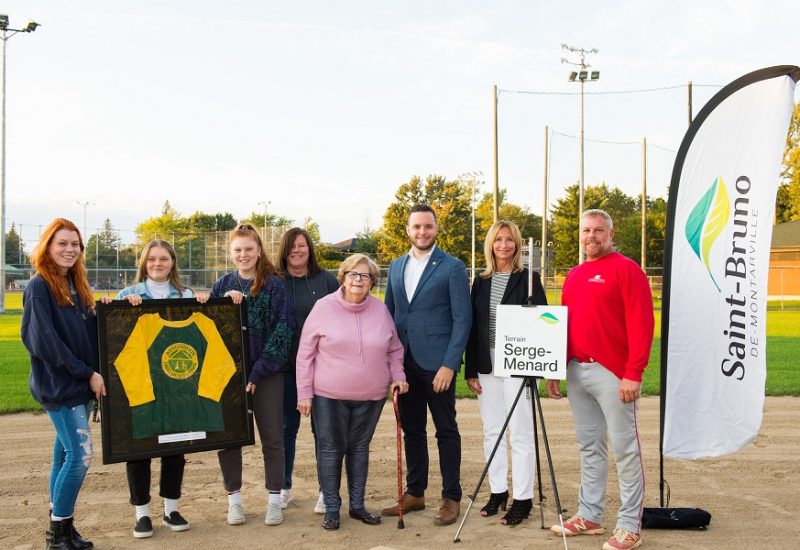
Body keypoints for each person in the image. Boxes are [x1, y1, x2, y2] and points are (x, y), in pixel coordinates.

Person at [546, 209, 654, 550]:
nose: (591, 236)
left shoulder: (627, 270)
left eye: (598, 230)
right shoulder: (575, 275)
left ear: (610, 233)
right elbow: (565, 326)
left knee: (625, 449)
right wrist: (557, 369)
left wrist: (633, 373)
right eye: (586, 231)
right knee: (589, 446)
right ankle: (589, 514)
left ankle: (628, 526)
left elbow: (642, 325)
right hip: (578, 370)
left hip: (613, 373)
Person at [99, 240, 208, 539]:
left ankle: (172, 508)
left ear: (172, 262)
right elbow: (113, 336)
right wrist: (115, 307)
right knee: (141, 448)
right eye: (151, 260)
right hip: (145, 385)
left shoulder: (185, 295)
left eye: (163, 259)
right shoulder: (128, 295)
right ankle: (142, 513)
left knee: (174, 447)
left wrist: (203, 304)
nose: (157, 264)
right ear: (144, 264)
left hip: (176, 386)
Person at [296, 253, 408, 530]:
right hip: (328, 395)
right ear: (343, 277)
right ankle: (332, 508)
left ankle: (357, 505)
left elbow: (395, 349)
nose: (358, 280)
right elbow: (305, 354)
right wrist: (304, 393)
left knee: (359, 449)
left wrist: (398, 376)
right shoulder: (323, 307)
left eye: (365, 276)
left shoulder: (380, 310)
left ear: (372, 281)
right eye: (353, 274)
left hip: (370, 397)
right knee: (331, 450)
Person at [381, 204, 472, 526]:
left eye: (428, 226)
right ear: (407, 230)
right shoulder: (395, 266)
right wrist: (392, 366)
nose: (422, 232)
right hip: (404, 365)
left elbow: (463, 319)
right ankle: (416, 493)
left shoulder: (452, 266)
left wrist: (450, 364)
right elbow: (389, 317)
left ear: (436, 229)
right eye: (416, 227)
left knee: (446, 431)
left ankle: (451, 497)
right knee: (413, 431)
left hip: (437, 365)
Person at [21, 218, 106, 550]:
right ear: (47, 246)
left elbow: (90, 330)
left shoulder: (75, 283)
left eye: (75, 244)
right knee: (80, 456)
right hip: (62, 386)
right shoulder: (39, 285)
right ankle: (58, 535)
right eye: (62, 244)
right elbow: (44, 342)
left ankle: (62, 527)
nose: (69, 249)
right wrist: (87, 373)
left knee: (64, 455)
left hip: (78, 385)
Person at [464, 220, 547, 525]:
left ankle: (522, 499)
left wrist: (537, 368)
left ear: (517, 244)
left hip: (518, 363)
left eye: (509, 240)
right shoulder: (481, 281)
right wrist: (470, 368)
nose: (504, 245)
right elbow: (473, 328)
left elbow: (542, 323)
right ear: (490, 244)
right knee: (492, 431)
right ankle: (498, 491)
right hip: (487, 365)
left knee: (521, 432)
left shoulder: (528, 279)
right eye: (498, 239)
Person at [211, 223, 294, 527]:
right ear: (230, 253)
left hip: (267, 373)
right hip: (229, 376)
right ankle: (234, 501)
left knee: (273, 437)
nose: (243, 254)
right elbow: (213, 331)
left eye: (249, 249)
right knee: (229, 438)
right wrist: (221, 305)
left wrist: (257, 372)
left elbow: (283, 332)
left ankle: (274, 499)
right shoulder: (221, 285)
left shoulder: (274, 285)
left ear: (259, 250)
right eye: (238, 250)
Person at [276, 227, 340, 514]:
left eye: (302, 246)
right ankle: (283, 487)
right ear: (284, 250)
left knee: (323, 433)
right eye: (292, 247)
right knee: (287, 429)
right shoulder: (275, 281)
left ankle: (326, 491)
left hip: (324, 368)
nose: (297, 251)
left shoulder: (326, 280)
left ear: (309, 248)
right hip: (288, 367)